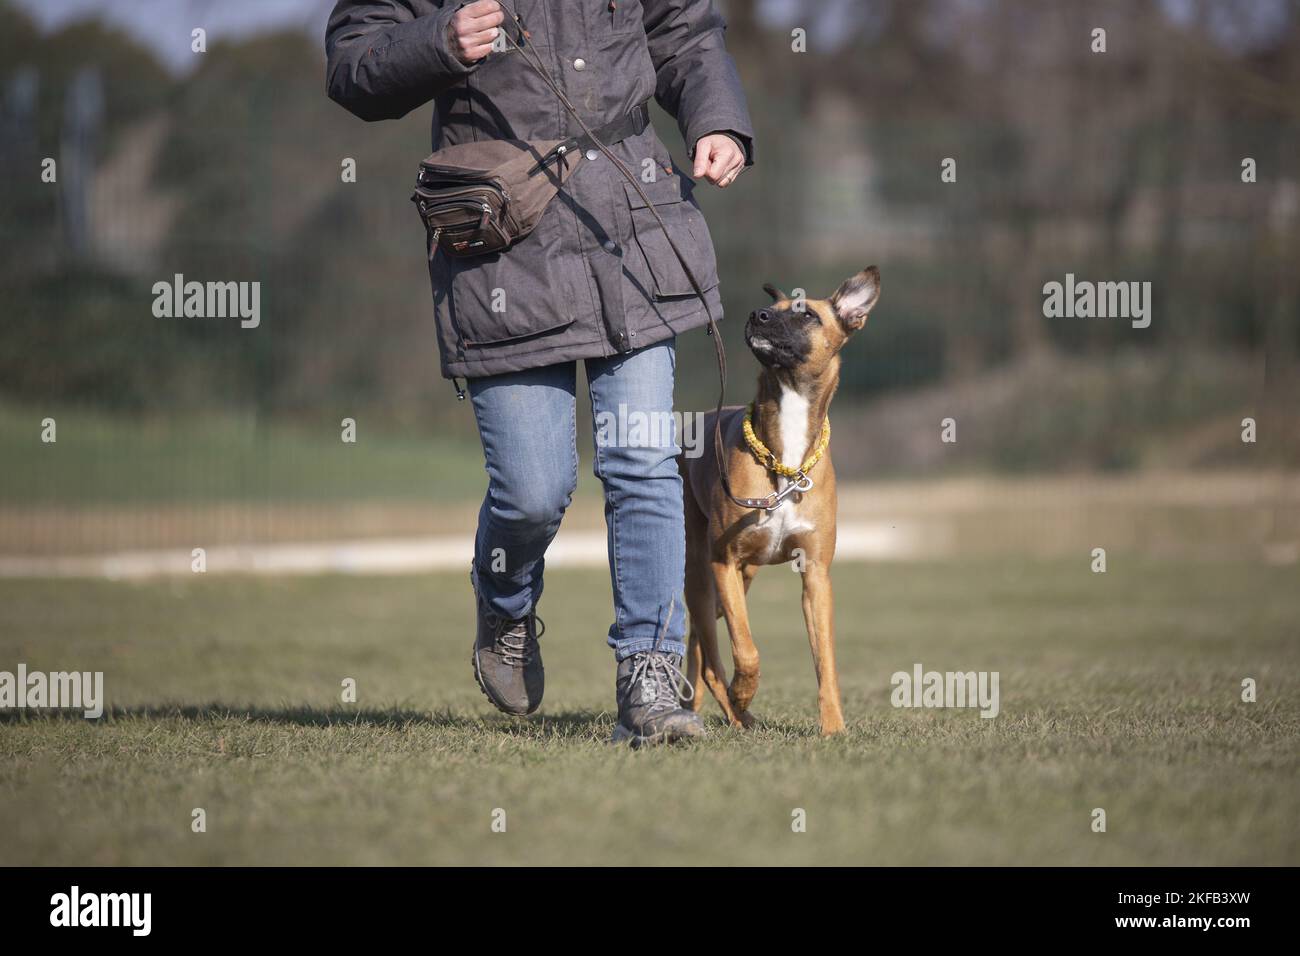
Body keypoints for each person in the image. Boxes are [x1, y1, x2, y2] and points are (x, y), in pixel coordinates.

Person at [325, 0, 754, 746]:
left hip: (633, 226)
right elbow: (353, 63)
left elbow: (685, 30)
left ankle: (649, 679)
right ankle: (505, 599)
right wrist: (441, 39)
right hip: (503, 245)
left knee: (644, 462)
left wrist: (715, 118)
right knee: (532, 489)